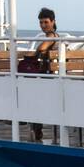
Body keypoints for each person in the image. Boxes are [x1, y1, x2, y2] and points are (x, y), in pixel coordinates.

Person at [29, 8, 62, 142]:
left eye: (46, 22)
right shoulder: (56, 36)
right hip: (50, 76)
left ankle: (36, 130)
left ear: (53, 22)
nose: (43, 25)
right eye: (41, 23)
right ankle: (36, 129)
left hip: (49, 78)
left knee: (33, 97)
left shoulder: (52, 36)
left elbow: (42, 48)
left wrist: (35, 54)